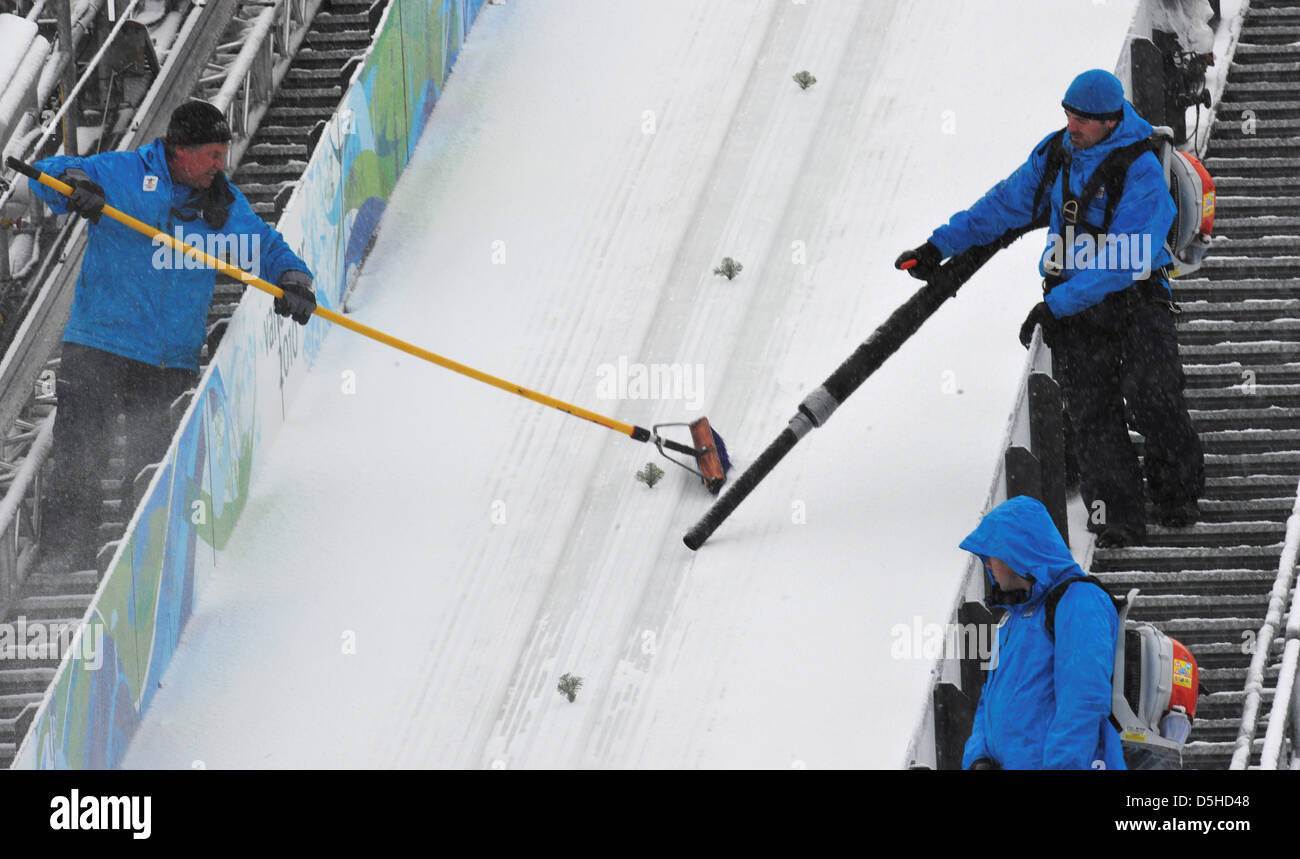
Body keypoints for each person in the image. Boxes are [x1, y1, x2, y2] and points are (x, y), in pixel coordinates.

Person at [895, 69, 1204, 548]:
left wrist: (1056, 305)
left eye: (1082, 119)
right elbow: (1003, 205)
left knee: (1153, 392)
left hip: (1136, 301)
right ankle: (1115, 514)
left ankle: (1177, 495)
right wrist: (939, 245)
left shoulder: (1142, 169)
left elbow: (1126, 259)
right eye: (1067, 114)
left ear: (1109, 120)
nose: (1071, 126)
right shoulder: (1056, 155)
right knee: (1092, 412)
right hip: (1074, 308)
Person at [27, 100, 317, 571]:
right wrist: (77, 187)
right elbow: (48, 172)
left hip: (170, 359)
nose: (220, 164)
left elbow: (264, 244)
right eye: (211, 155)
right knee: (82, 448)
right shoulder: (123, 172)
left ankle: (141, 561)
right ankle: (66, 553)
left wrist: (293, 279)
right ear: (179, 151)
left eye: (223, 153)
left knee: (154, 462)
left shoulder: (221, 204)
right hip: (101, 341)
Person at [959, 494, 1126, 770]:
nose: (987, 564)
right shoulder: (1013, 619)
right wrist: (978, 758)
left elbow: (1082, 702)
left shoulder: (1079, 600)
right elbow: (987, 701)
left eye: (992, 554)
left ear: (1018, 552)